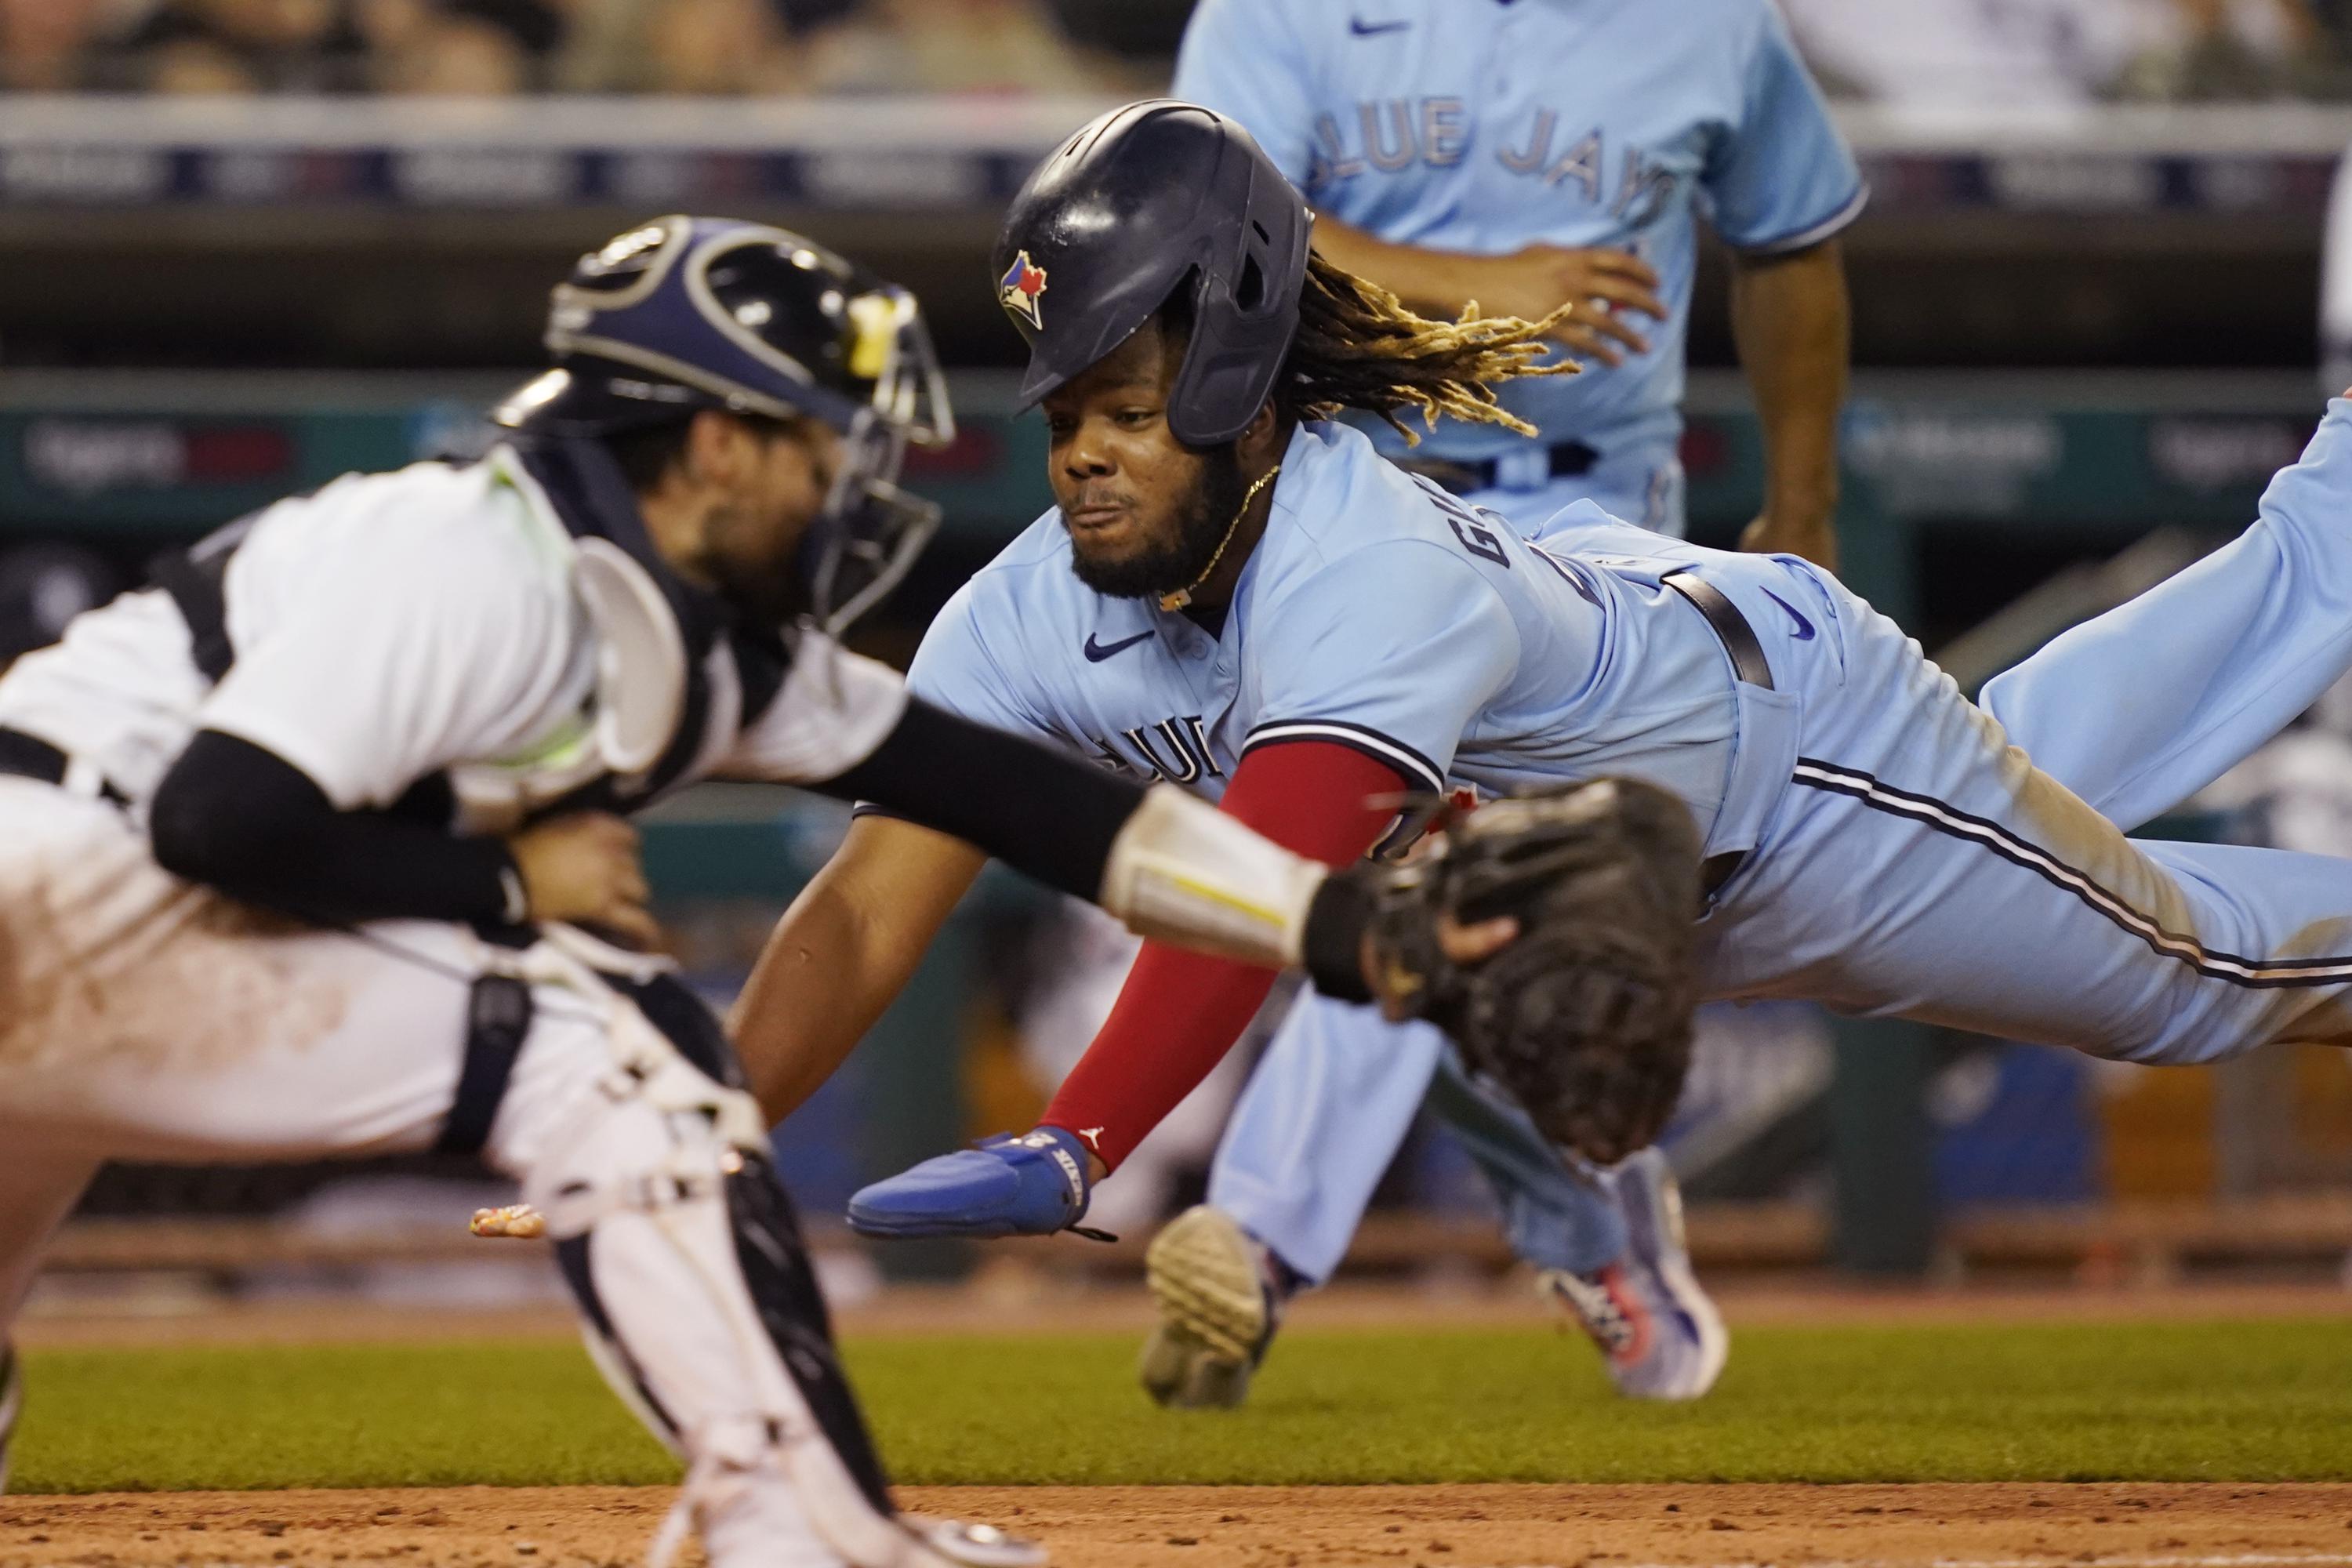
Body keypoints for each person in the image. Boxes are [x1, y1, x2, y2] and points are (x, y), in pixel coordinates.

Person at [736, 102, 2352, 1425]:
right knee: (2011, 793)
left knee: (2178, 974)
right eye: (1061, 407)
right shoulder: (1030, 605)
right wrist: (703, 1124)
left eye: (1130, 406)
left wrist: (1077, 1135)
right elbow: (874, 906)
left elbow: (1273, 880)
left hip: (1791, 786)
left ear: (1236, 389)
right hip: (1591, 829)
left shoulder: (1358, 563)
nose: (1080, 449)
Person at [0, 213, 1519, 1566]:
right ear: (716, 444)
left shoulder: (702, 626)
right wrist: (502, 879)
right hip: (65, 886)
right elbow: (218, 816)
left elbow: (1020, 801)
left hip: (81, 925)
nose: (843, 480)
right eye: (817, 440)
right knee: (625, 1049)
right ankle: (799, 1530)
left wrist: (1327, 919)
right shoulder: (467, 551)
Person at [1090, 0, 1862, 1403]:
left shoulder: (1712, 24)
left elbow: (1793, 242)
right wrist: (1465, 285)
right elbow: (1210, 221)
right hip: (1341, 511)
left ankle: (1260, 1243)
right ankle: (1586, 1217)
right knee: (1442, 907)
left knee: (1446, 880)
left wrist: (1802, 503)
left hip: (1599, 530)